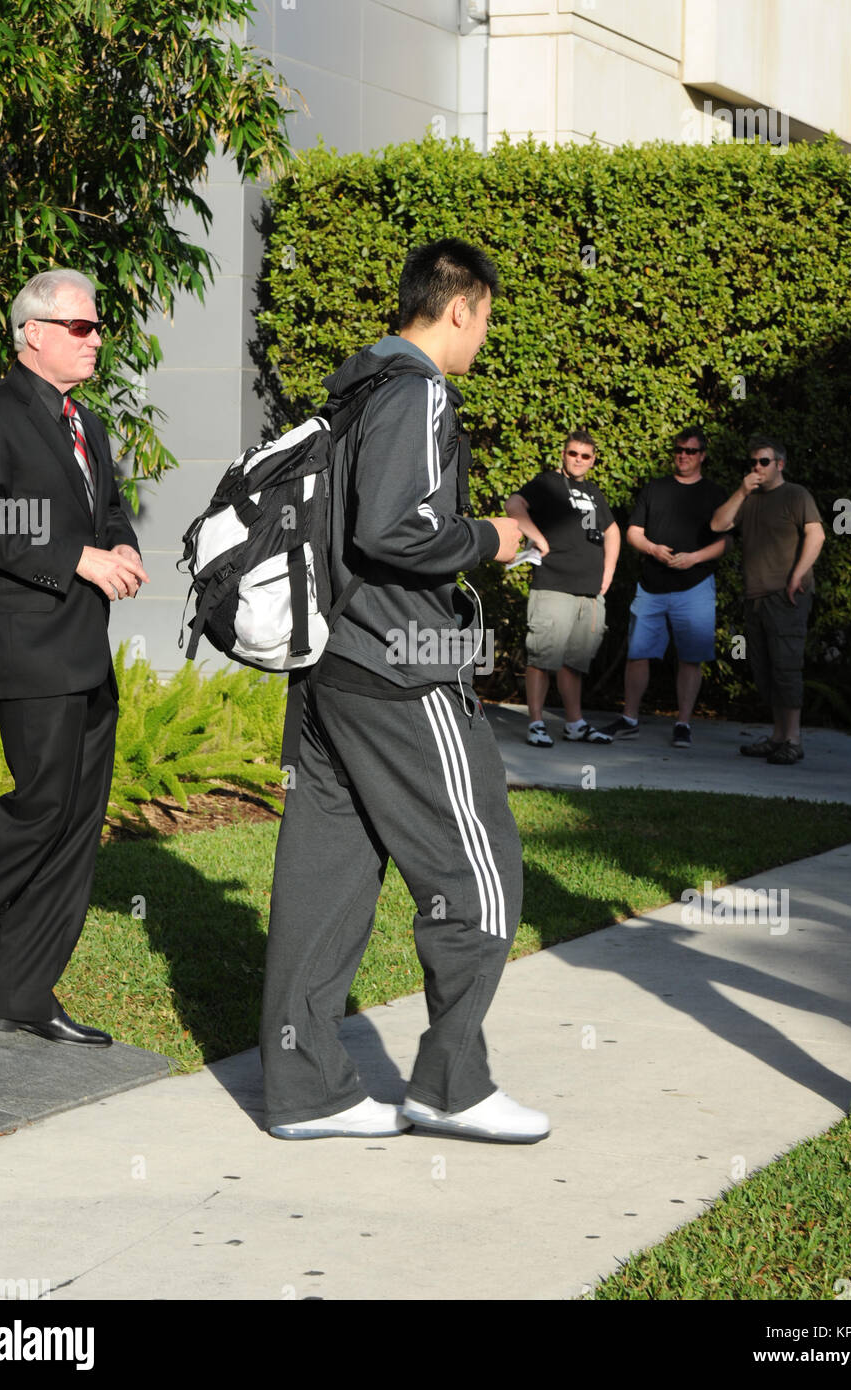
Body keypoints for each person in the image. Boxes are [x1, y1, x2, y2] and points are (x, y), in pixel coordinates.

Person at [259, 238, 549, 1143]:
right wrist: (493, 539)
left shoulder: (356, 385)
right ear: (459, 306)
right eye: (486, 319)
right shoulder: (420, 389)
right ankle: (450, 1085)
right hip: (401, 664)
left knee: (324, 879)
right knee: (483, 874)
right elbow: (396, 529)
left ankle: (307, 1093)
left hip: (328, 671)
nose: (483, 339)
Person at [0, 268, 148, 1044]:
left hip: (83, 651)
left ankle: (24, 992)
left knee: (72, 822)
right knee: (35, 812)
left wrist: (120, 542)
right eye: (80, 327)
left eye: (97, 327)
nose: (95, 339)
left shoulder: (84, 422)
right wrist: (76, 558)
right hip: (27, 650)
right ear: (32, 333)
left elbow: (109, 505)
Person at [602, 426, 729, 748]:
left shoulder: (715, 494)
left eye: (690, 451)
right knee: (638, 654)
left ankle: (683, 723)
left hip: (695, 586)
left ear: (702, 455)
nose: (683, 456)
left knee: (690, 657)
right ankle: (629, 718)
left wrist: (695, 558)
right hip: (651, 586)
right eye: (679, 450)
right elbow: (633, 531)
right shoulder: (655, 488)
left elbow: (725, 542)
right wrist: (653, 549)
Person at [711, 434, 824, 765]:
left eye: (764, 462)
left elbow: (816, 534)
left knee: (787, 667)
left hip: (786, 595)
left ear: (780, 464)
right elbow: (718, 524)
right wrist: (743, 490)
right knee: (764, 670)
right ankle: (777, 735)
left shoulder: (795, 494)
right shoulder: (750, 498)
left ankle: (793, 738)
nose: (757, 468)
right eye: (754, 463)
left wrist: (796, 576)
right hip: (756, 596)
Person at [505, 431, 620, 747]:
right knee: (542, 656)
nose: (578, 460)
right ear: (564, 454)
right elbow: (513, 503)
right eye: (573, 454)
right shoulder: (547, 483)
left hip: (590, 592)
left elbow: (612, 531)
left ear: (593, 459)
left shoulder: (594, 491)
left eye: (585, 456)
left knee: (575, 662)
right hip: (554, 585)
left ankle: (574, 723)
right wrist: (537, 537)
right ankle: (537, 724)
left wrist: (607, 574)